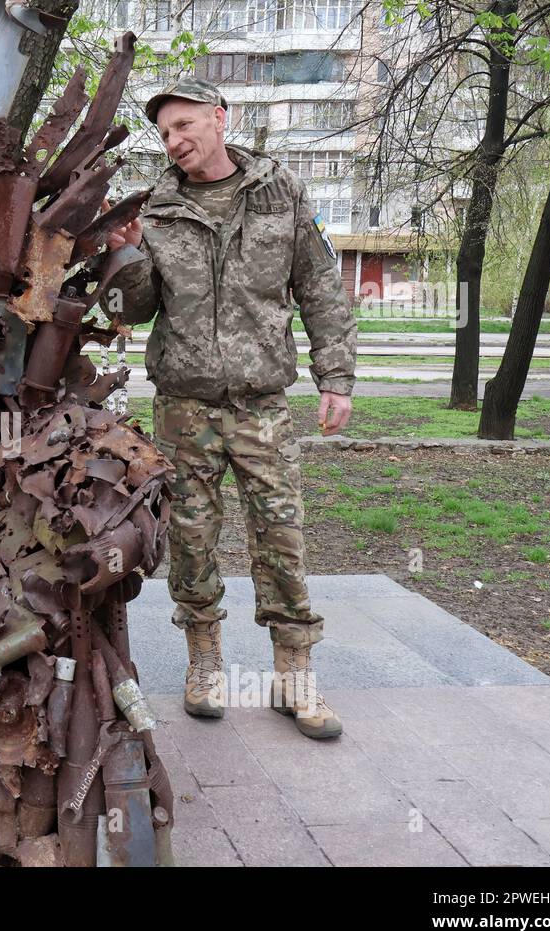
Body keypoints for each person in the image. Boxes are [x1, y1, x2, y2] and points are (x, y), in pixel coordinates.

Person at [103, 78, 357, 739]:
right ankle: (205, 665)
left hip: (262, 405)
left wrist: (337, 378)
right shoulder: (155, 208)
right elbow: (136, 309)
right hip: (184, 408)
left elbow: (321, 289)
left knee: (281, 541)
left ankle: (294, 679)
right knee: (191, 542)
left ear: (221, 119)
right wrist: (124, 253)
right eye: (164, 133)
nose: (175, 140)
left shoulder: (281, 194)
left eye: (185, 125)